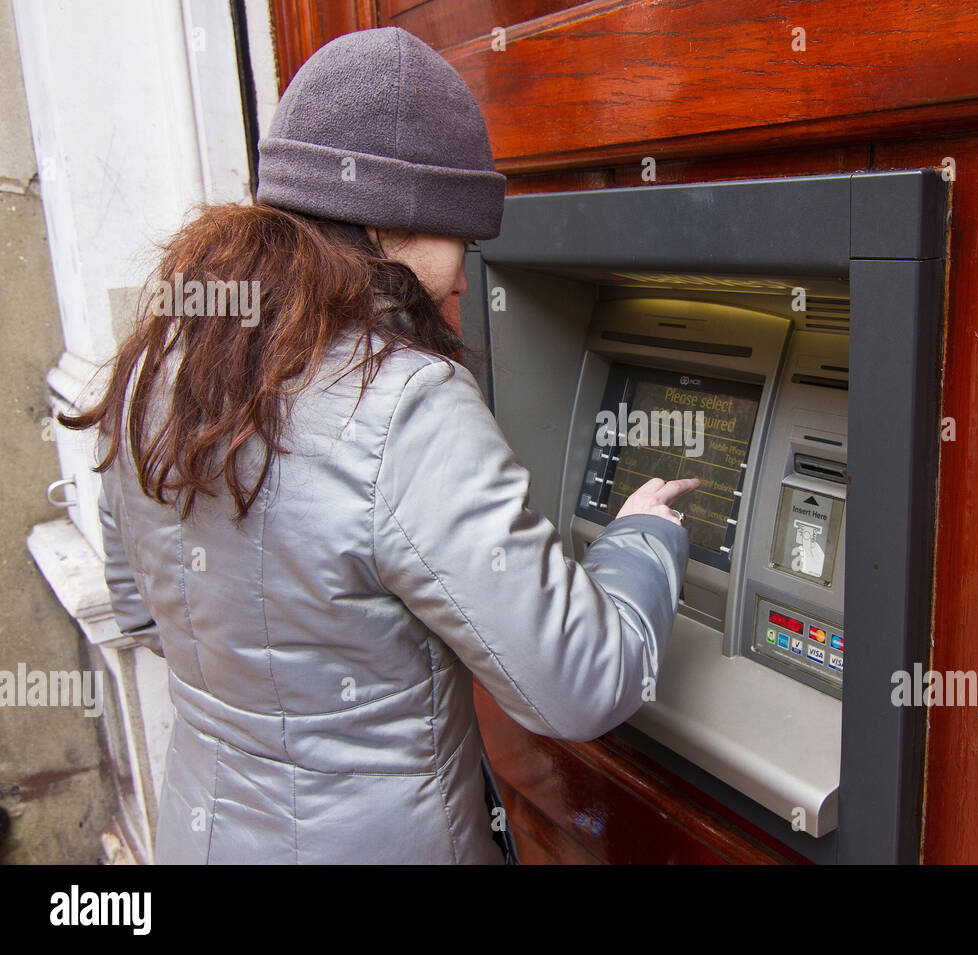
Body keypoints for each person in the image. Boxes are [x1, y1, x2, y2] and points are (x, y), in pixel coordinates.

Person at [61, 26, 698, 864]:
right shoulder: (403, 404)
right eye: (462, 234)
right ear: (392, 220)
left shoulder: (163, 364)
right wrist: (642, 541)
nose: (468, 273)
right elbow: (580, 683)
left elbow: (141, 607)